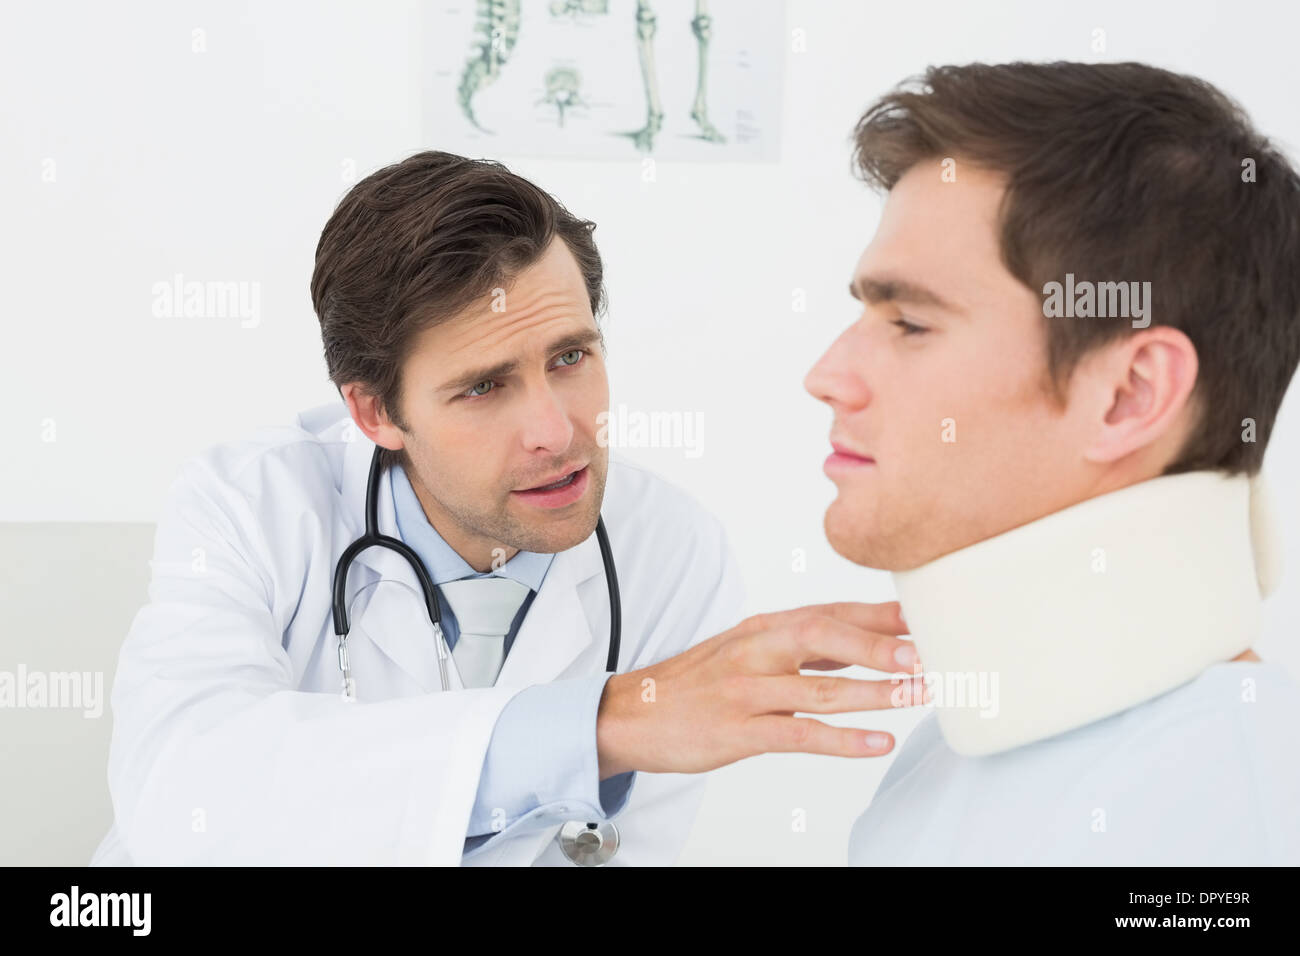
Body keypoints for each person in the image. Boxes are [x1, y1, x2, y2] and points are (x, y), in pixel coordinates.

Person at [92, 151, 925, 866]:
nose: (555, 432)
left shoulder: (669, 547)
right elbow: (182, 798)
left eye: (569, 358)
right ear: (375, 413)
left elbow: (625, 851)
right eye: (485, 386)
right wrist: (600, 726)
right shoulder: (251, 505)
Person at [802, 61, 1300, 865]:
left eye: (911, 324)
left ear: (1130, 395)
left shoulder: (1236, 817)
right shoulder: (955, 750)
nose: (826, 376)